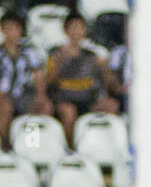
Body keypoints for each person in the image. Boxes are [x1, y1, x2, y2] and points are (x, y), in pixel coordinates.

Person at [45, 13, 118, 146]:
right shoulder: (55, 52)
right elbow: (48, 81)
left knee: (111, 105)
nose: (76, 32)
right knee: (69, 112)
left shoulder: (92, 55)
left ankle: (101, 146)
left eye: (80, 28)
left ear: (85, 31)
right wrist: (61, 61)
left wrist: (104, 69)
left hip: (88, 98)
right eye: (73, 28)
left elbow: (107, 83)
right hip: (64, 98)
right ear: (66, 31)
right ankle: (71, 148)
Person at [0, 11, 52, 152]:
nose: (11, 33)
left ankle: (31, 147)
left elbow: (38, 77)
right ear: (2, 30)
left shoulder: (30, 52)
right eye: (7, 29)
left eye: (14, 29)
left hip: (22, 96)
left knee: (42, 107)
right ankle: (3, 147)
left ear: (20, 30)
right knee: (5, 108)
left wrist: (41, 97)